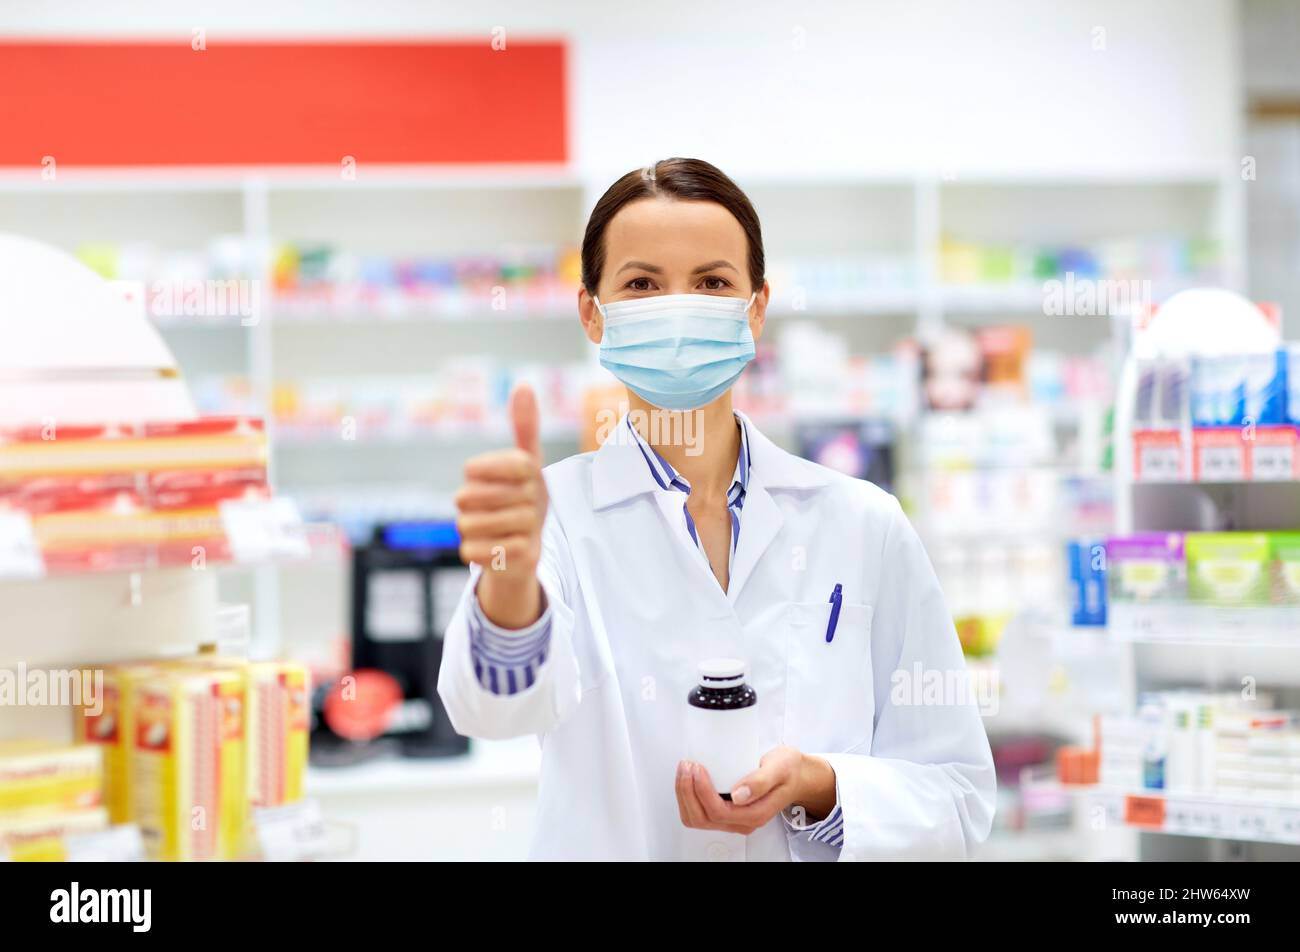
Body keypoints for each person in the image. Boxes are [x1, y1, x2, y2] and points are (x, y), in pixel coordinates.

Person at [438, 157, 995, 861]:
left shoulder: (863, 523)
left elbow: (958, 799)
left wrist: (820, 788)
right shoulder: (553, 520)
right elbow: (491, 711)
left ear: (755, 309)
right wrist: (510, 587)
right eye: (642, 284)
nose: (679, 309)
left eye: (712, 283)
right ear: (592, 313)